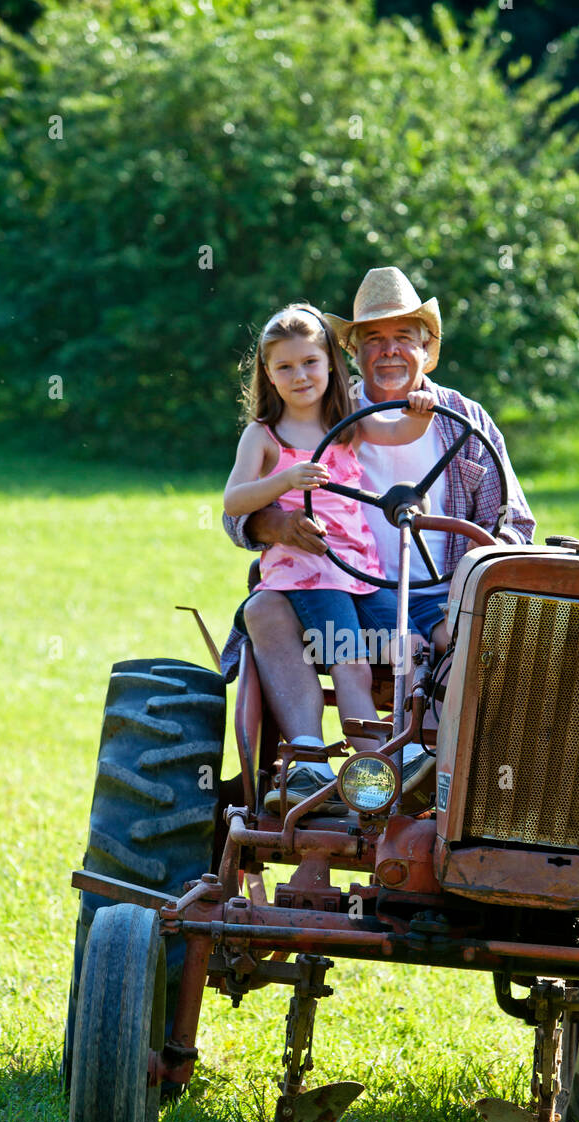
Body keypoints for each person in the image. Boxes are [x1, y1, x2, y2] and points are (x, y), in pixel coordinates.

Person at [221, 268, 536, 809]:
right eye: (374, 340)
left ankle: (449, 785)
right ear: (353, 354)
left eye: (403, 339)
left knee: (456, 645)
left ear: (427, 350)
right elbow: (236, 513)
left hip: (441, 592)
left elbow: (513, 523)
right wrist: (277, 524)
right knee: (266, 612)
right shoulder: (330, 414)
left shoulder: (461, 418)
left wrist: (474, 577)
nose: (389, 352)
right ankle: (307, 762)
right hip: (323, 576)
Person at [224, 301, 435, 812]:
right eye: (286, 367)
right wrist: (283, 482)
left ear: (330, 366)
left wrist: (419, 411)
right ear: (268, 376)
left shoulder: (346, 424)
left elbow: (397, 432)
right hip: (310, 573)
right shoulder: (264, 437)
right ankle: (366, 771)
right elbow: (234, 501)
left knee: (411, 645)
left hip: (360, 572)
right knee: (351, 667)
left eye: (310, 362)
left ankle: (413, 752)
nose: (300, 376)